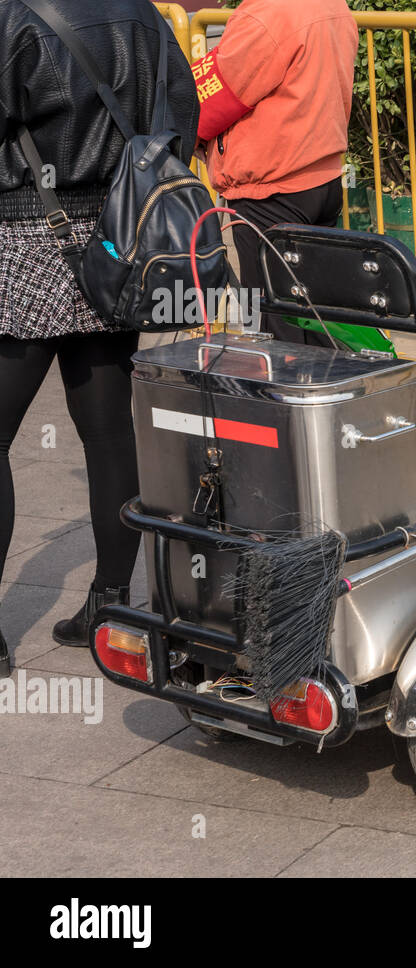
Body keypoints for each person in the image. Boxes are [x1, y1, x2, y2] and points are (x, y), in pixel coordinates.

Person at [0, 0, 201, 674]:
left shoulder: (13, 14)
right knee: (110, 433)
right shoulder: (143, 14)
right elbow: (182, 119)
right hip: (118, 242)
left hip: (27, 237)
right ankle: (112, 609)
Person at [192, 0, 358, 345]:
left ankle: (287, 395)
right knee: (314, 315)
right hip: (320, 177)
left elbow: (214, 96)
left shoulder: (267, 14)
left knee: (275, 327)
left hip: (270, 187)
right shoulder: (333, 5)